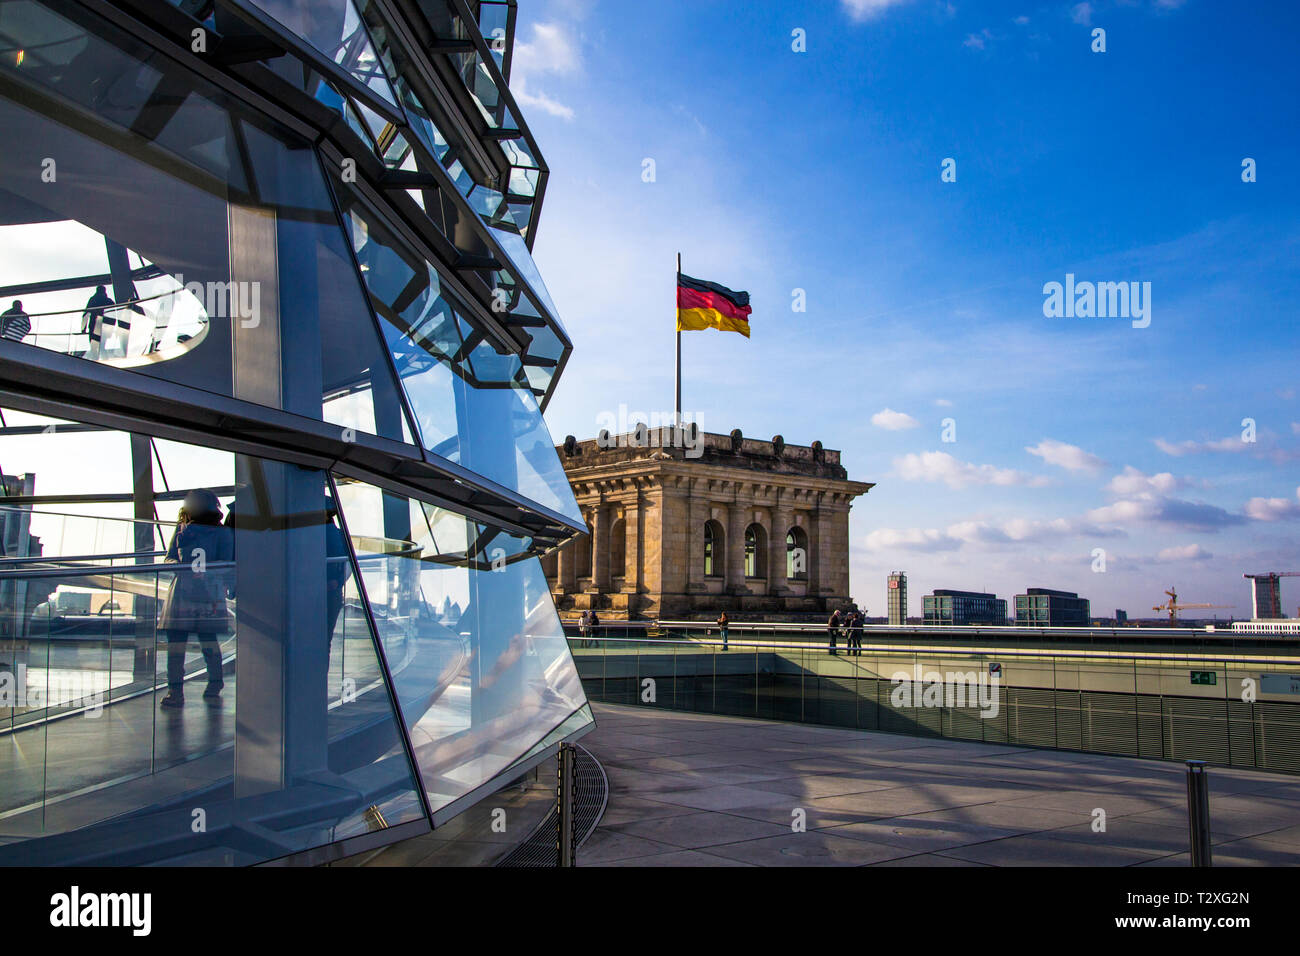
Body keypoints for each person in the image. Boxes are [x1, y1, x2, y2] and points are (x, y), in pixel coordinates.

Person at [159, 489, 235, 709]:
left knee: (188, 643)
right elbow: (170, 558)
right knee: (202, 640)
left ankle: (181, 690)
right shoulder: (220, 533)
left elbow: (170, 558)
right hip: (203, 593)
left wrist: (184, 570)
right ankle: (205, 684)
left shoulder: (187, 530)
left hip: (188, 592)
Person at [81, 286, 113, 359]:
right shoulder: (109, 301)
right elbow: (113, 316)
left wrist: (83, 328)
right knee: (102, 346)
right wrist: (111, 330)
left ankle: (94, 362)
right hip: (105, 326)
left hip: (93, 325)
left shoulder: (93, 300)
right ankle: (105, 361)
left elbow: (86, 313)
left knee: (94, 347)